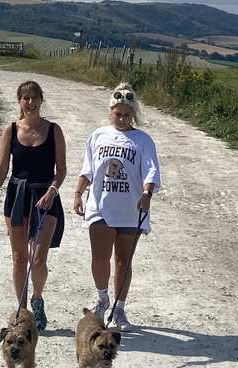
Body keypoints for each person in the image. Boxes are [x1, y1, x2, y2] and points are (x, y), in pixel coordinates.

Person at [73, 82, 161, 332]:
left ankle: (119, 309)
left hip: (131, 209)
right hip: (100, 206)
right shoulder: (98, 136)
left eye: (127, 115)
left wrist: (147, 194)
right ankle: (102, 299)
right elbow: (88, 169)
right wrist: (78, 193)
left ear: (133, 115)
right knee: (100, 257)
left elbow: (151, 171)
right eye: (118, 114)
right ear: (110, 111)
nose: (122, 119)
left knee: (123, 260)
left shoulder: (143, 140)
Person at [0, 80, 66, 331]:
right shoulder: (10, 130)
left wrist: (52, 191)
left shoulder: (54, 130)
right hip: (17, 196)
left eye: (34, 97)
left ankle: (37, 299)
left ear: (41, 99)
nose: (30, 102)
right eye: (25, 98)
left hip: (45, 197)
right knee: (20, 259)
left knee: (38, 260)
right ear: (19, 101)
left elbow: (61, 170)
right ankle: (22, 311)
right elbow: (1, 169)